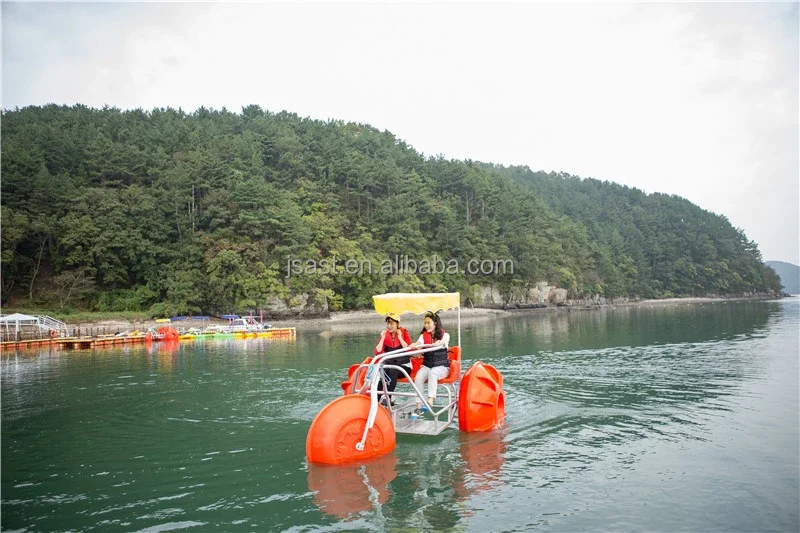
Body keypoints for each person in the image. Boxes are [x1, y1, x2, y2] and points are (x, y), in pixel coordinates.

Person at [412, 312, 450, 412]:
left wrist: (438, 343)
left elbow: (442, 342)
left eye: (428, 323)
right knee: (418, 377)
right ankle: (419, 406)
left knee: (433, 373)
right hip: (427, 366)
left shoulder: (445, 335)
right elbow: (419, 343)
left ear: (435, 323)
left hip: (442, 367)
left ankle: (430, 401)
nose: (426, 325)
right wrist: (414, 345)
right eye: (425, 323)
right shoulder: (423, 336)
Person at [373, 313, 412, 405]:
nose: (389, 326)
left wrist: (400, 338)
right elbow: (377, 352)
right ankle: (376, 401)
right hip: (389, 365)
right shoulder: (385, 334)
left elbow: (409, 349)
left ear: (397, 324)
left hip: (404, 367)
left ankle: (388, 398)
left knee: (393, 371)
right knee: (381, 373)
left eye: (392, 324)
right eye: (388, 324)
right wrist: (382, 338)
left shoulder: (404, 333)